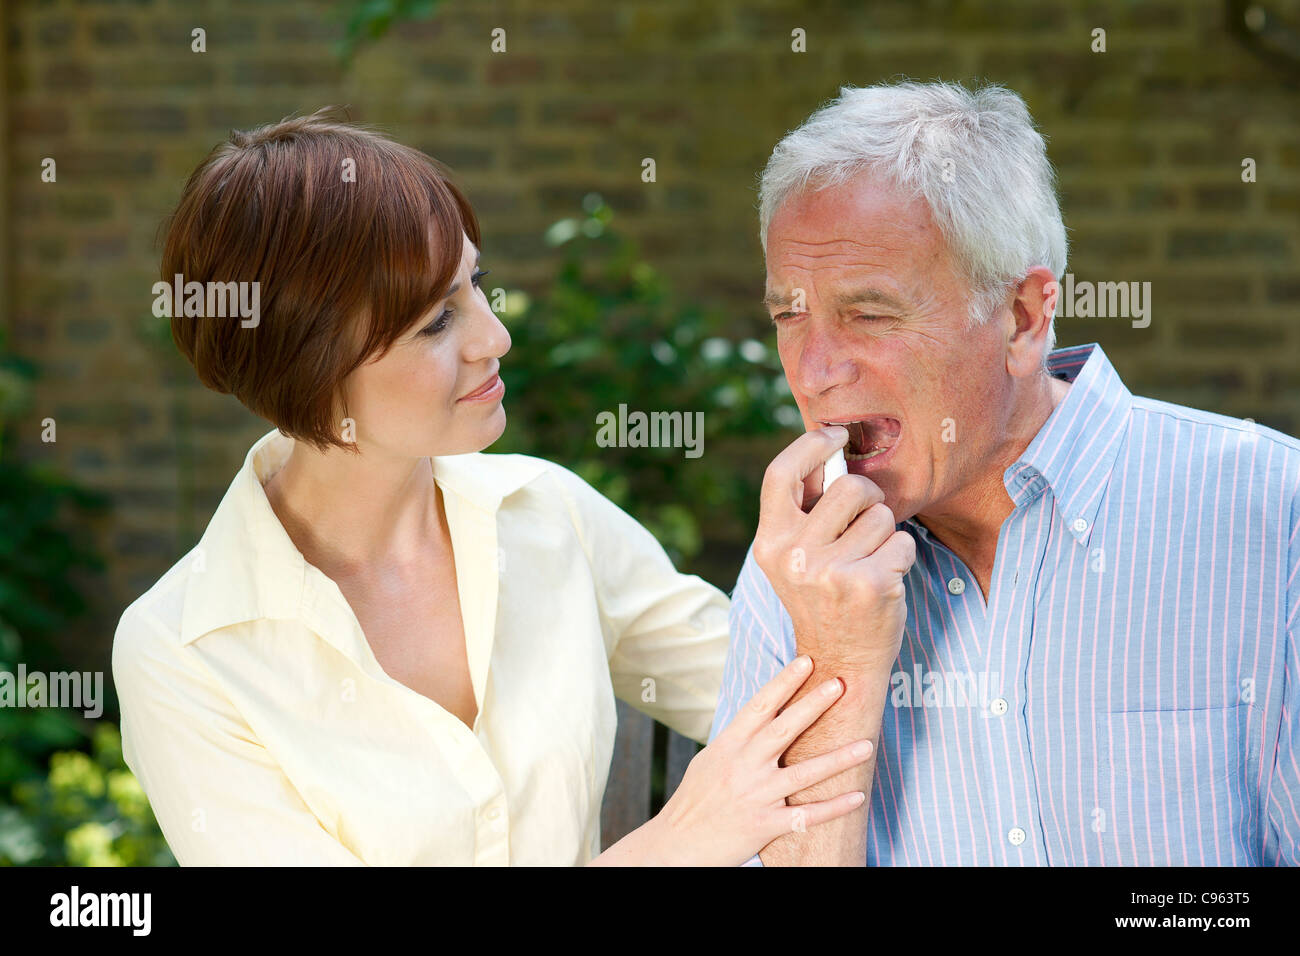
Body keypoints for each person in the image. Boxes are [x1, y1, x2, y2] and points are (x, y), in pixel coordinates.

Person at [112, 107, 873, 866]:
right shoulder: (182, 652)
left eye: (475, 285)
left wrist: (815, 586)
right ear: (307, 365)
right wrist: (675, 845)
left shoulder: (548, 514)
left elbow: (800, 720)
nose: (494, 337)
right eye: (437, 322)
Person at [713, 80, 1300, 866]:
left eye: (870, 313)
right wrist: (836, 665)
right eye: (789, 314)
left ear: (1023, 316)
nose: (813, 370)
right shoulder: (793, 576)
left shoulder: (1268, 513)